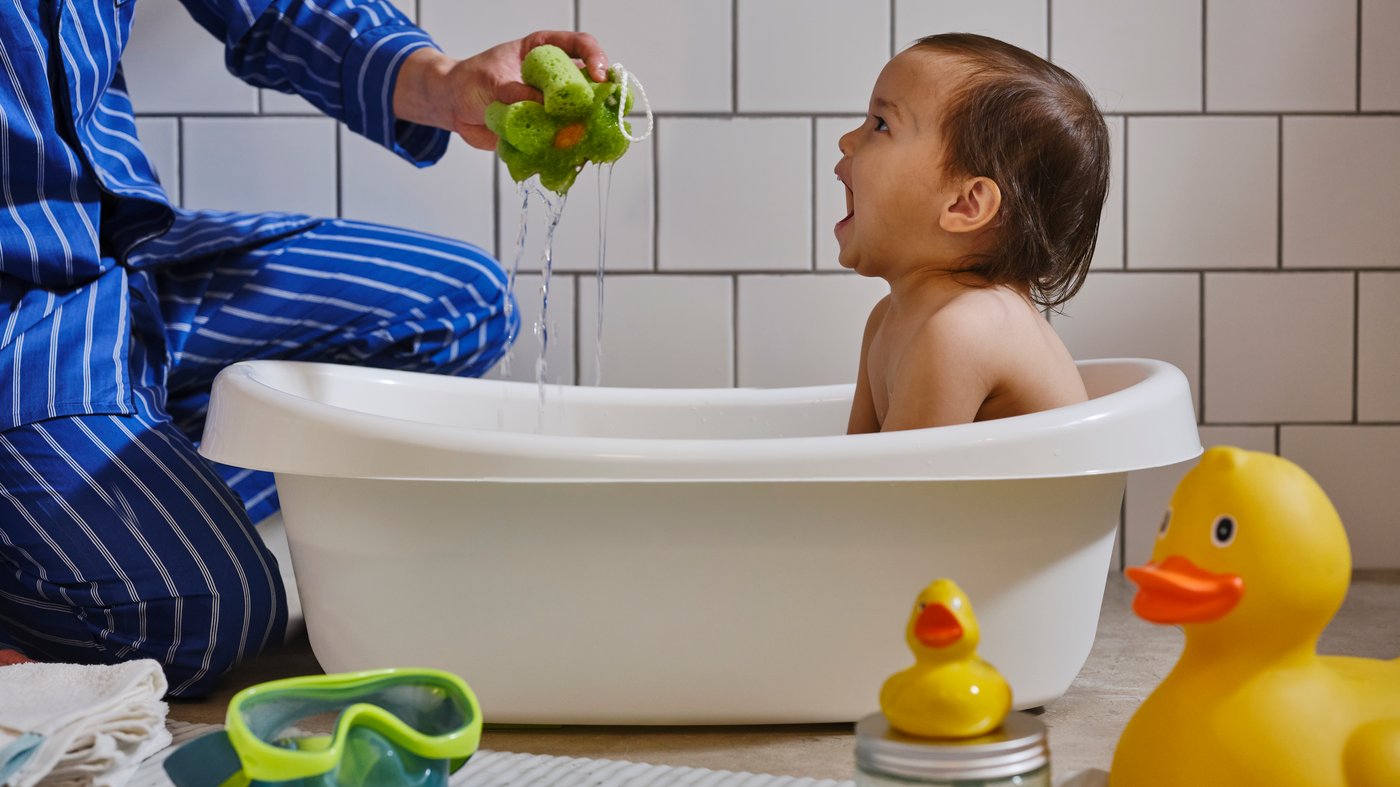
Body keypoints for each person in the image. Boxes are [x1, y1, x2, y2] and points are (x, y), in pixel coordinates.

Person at [0, 0, 609, 697]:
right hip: (18, 313)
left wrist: (442, 79)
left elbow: (280, 8)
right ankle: (65, 552)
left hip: (120, 251)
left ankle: (119, 509)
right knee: (198, 615)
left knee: (462, 305)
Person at [838, 34, 1109, 434]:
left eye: (880, 125)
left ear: (965, 205)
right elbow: (850, 474)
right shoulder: (886, 320)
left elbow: (888, 493)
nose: (846, 141)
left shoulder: (962, 331)